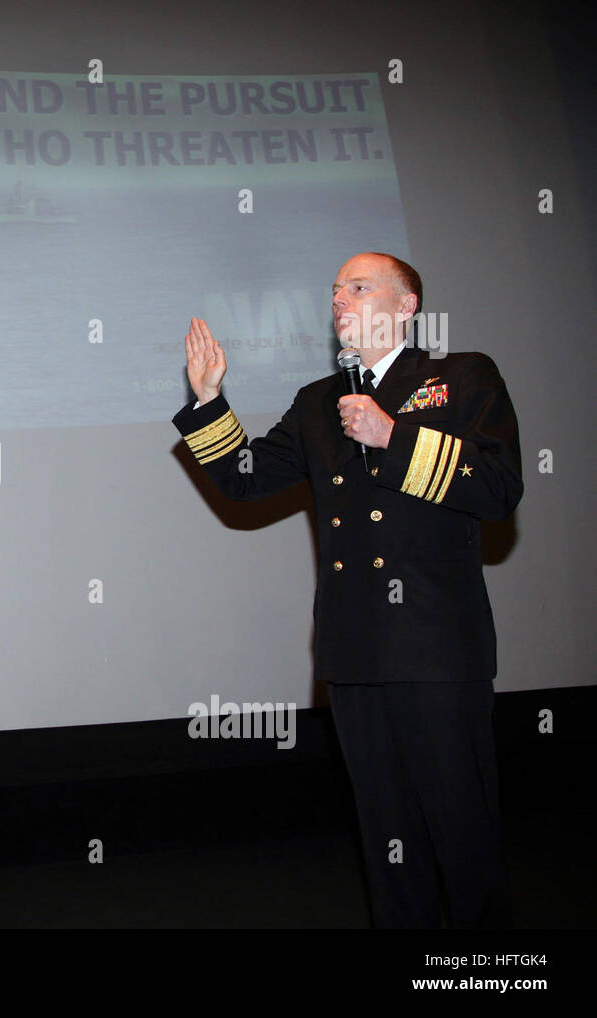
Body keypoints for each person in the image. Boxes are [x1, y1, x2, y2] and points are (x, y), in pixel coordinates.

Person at [173, 252, 522, 928]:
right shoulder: (317, 403)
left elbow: (500, 489)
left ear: (406, 305)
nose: (340, 300)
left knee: (462, 837)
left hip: (436, 652)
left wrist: (394, 436)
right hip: (354, 654)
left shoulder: (461, 376)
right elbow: (246, 477)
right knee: (390, 847)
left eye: (359, 288)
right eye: (335, 292)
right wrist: (210, 399)